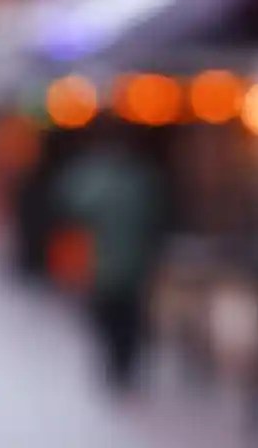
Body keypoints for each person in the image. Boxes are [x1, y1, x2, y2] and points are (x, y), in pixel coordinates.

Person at [57, 122, 167, 393]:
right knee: (125, 319)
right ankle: (122, 367)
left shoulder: (89, 177)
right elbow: (156, 217)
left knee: (110, 318)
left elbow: (67, 210)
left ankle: (116, 367)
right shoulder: (138, 179)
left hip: (103, 264)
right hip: (127, 264)